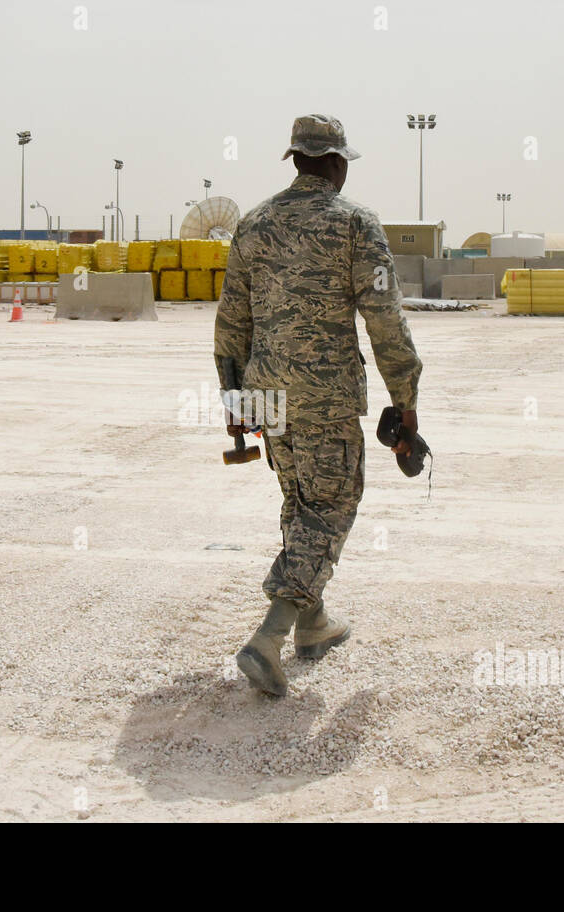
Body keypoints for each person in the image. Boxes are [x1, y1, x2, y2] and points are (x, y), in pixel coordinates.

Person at [215, 114, 423, 696]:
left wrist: (234, 399)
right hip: (324, 396)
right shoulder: (354, 223)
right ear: (335, 162)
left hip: (265, 395)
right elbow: (385, 319)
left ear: (296, 160)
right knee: (331, 505)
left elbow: (232, 321)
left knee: (300, 501)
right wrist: (405, 402)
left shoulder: (253, 224)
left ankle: (313, 625)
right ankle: (269, 636)